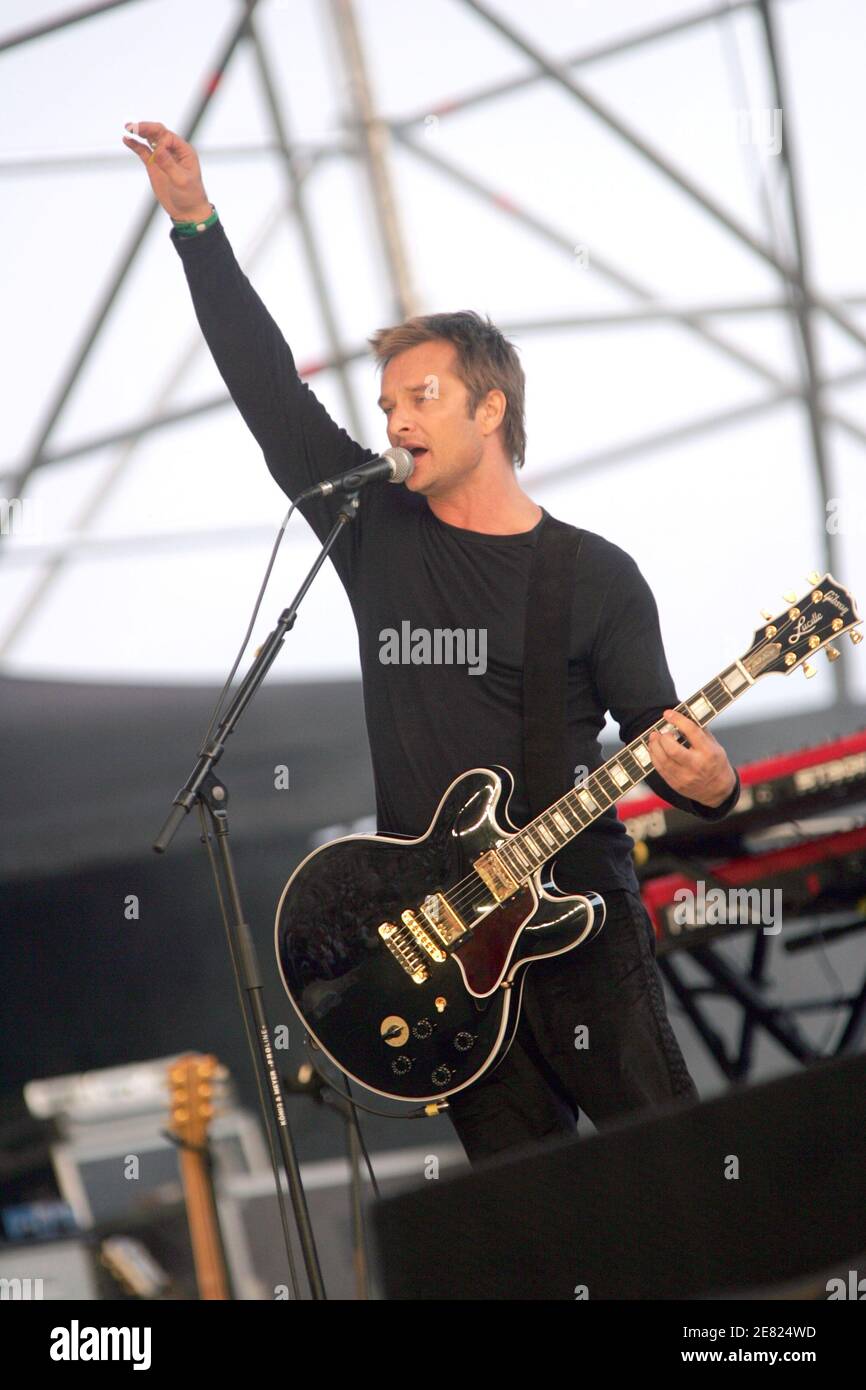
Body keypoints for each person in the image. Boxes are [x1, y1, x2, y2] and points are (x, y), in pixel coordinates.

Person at [124, 122, 740, 1163]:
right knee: (527, 1223)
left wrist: (715, 779)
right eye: (385, 405)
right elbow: (270, 396)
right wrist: (196, 224)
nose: (395, 419)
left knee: (666, 1183)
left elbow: (667, 750)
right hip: (432, 951)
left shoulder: (593, 575)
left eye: (421, 398)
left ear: (489, 409)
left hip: (578, 927)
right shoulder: (373, 528)